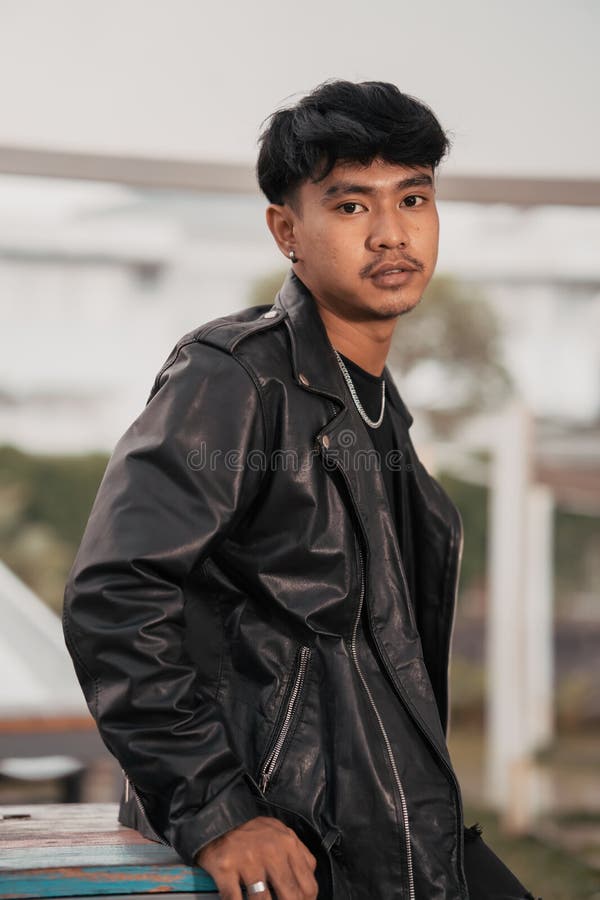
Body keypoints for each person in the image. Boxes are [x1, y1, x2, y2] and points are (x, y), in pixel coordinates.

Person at [63, 80, 539, 900]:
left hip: (388, 824)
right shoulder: (236, 376)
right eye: (351, 207)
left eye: (414, 198)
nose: (392, 233)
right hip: (296, 834)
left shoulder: (376, 405)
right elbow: (115, 594)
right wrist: (216, 806)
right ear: (288, 229)